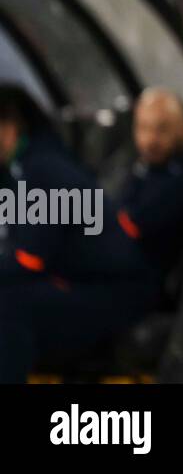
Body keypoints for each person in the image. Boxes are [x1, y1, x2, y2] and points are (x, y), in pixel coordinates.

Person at [0, 85, 159, 383]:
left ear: (10, 128)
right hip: (80, 284)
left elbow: (28, 261)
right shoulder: (18, 171)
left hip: (114, 293)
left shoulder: (43, 171)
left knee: (8, 306)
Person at [115, 89, 183, 279]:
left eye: (162, 129)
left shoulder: (179, 180)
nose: (150, 140)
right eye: (143, 128)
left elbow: (130, 228)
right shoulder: (142, 168)